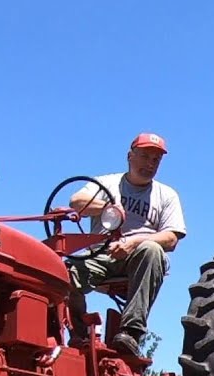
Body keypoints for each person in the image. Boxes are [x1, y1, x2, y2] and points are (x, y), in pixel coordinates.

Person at [65, 132, 186, 357]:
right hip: (100, 254)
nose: (150, 164)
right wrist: (107, 208)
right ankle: (78, 333)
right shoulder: (106, 183)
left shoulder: (166, 195)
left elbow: (171, 238)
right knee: (62, 271)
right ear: (130, 156)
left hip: (138, 257)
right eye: (145, 156)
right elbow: (76, 202)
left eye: (156, 160)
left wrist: (134, 242)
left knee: (152, 250)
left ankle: (130, 332)